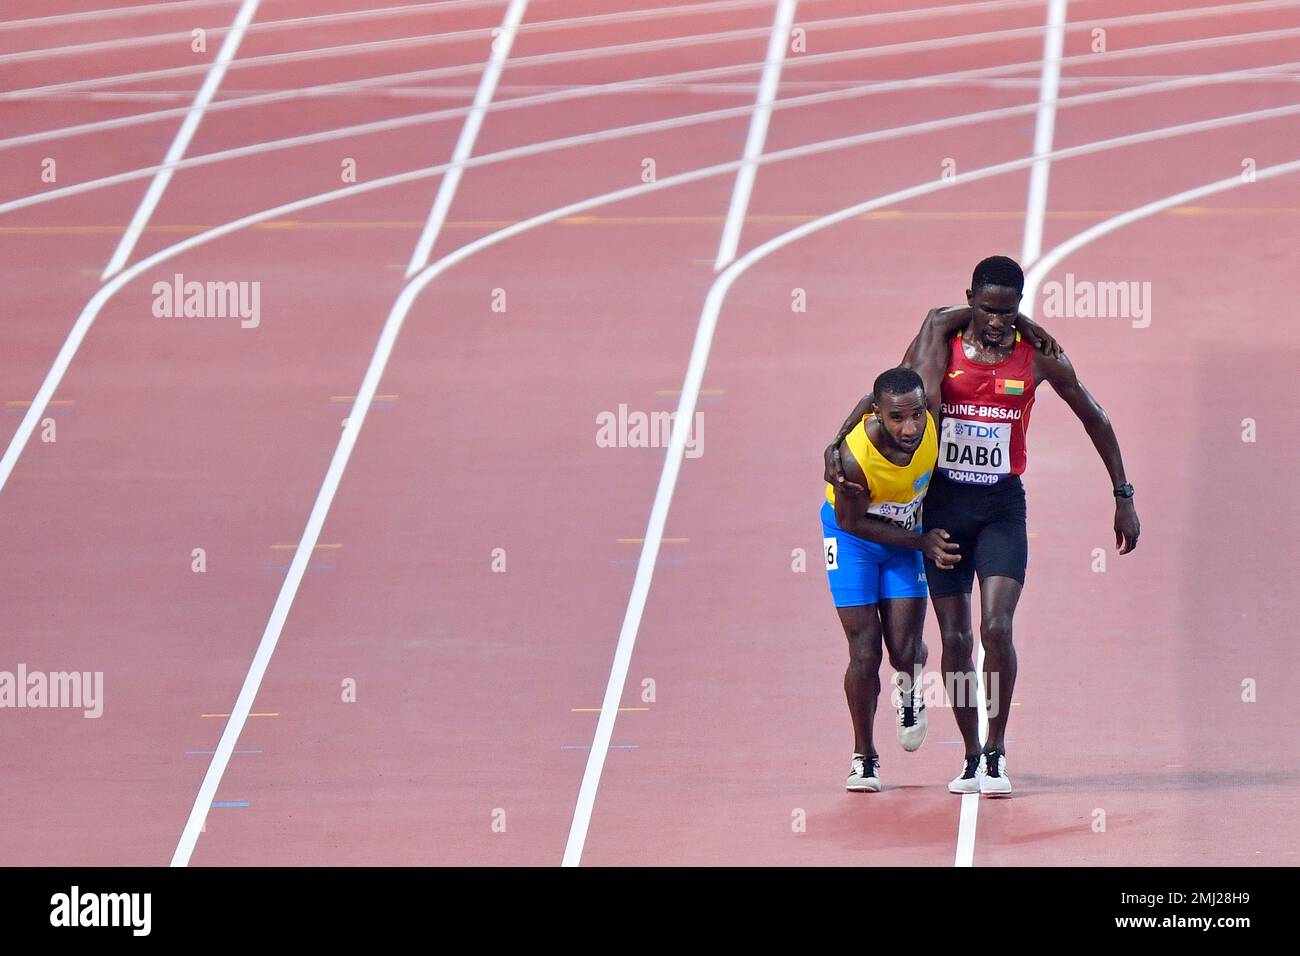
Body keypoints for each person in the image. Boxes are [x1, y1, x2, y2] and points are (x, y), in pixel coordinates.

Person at [826, 256, 1139, 797]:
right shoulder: (939, 348)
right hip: (943, 508)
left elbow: (1095, 416)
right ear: (969, 298)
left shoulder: (1036, 357)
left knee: (996, 627)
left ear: (1020, 308)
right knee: (954, 638)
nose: (996, 321)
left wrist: (1123, 494)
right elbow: (883, 394)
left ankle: (995, 751)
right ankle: (970, 756)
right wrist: (836, 441)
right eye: (987, 309)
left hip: (1000, 508)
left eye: (1009, 311)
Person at [821, 367, 956, 792]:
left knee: (905, 651)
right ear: (877, 415)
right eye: (897, 418)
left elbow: (936, 322)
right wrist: (921, 542)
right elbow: (852, 521)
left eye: (916, 415)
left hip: (905, 540)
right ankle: (864, 756)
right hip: (853, 539)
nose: (910, 427)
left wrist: (1026, 328)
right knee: (864, 652)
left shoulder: (927, 413)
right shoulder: (852, 460)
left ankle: (910, 685)